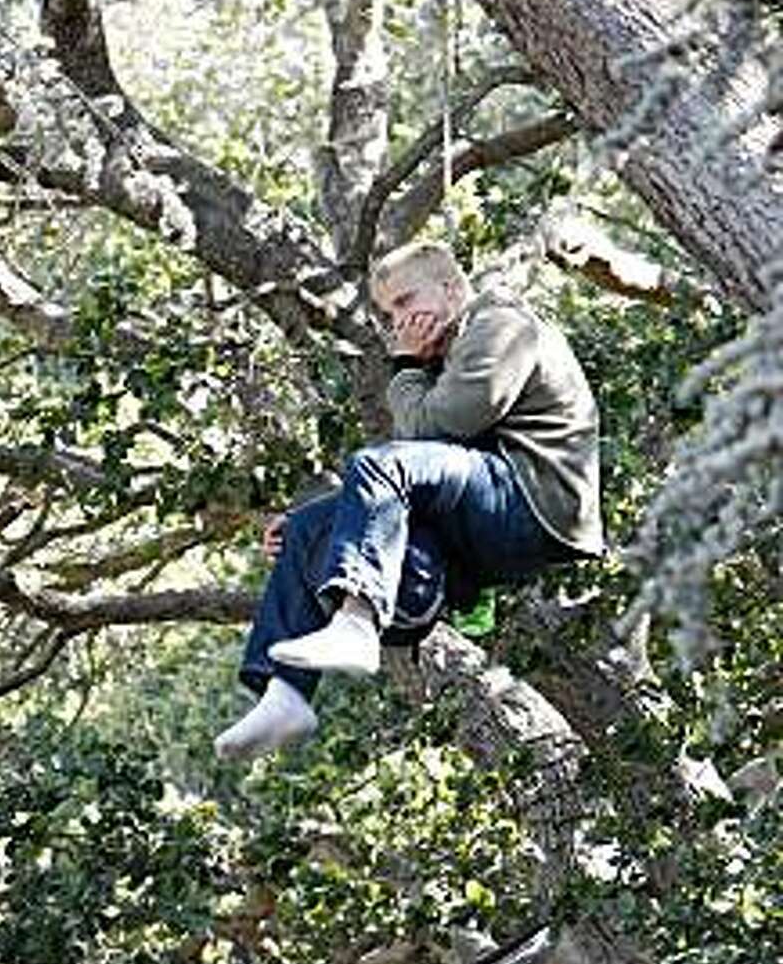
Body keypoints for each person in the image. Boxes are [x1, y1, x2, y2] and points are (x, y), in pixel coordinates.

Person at [214, 240, 604, 761]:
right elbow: (434, 456)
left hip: (532, 504)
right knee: (306, 529)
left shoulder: (501, 324)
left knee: (380, 463)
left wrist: (405, 367)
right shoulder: (451, 349)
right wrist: (313, 518)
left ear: (449, 288)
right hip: (485, 506)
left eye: (403, 302)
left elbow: (438, 428)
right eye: (387, 312)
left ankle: (356, 620)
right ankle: (284, 693)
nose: (396, 320)